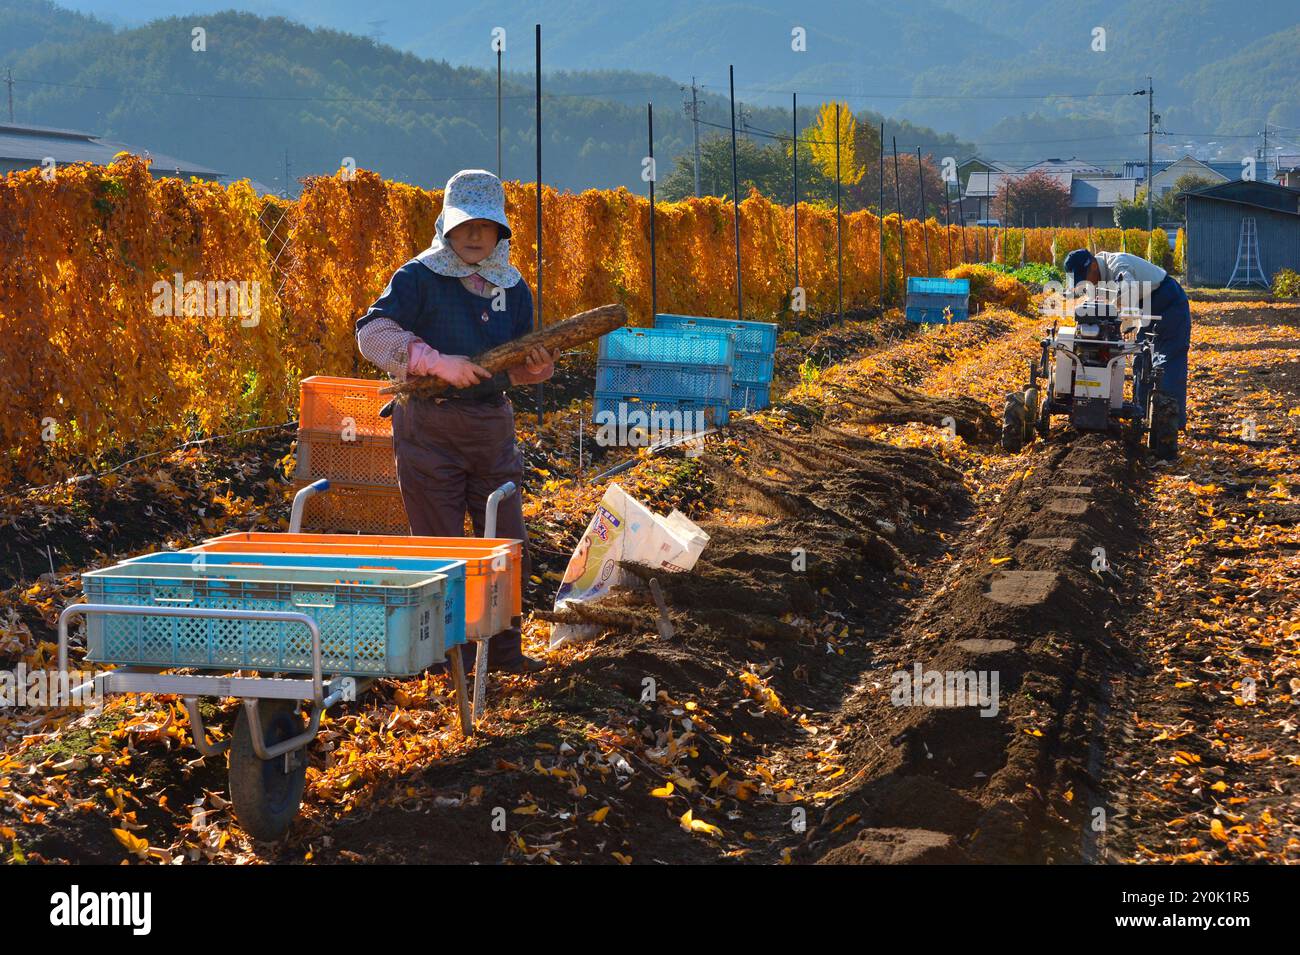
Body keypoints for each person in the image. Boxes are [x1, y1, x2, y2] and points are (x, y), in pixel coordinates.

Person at [356, 169, 552, 674]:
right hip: (429, 430)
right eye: (464, 225)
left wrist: (536, 369)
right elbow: (372, 334)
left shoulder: (511, 285)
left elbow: (519, 362)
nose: (473, 236)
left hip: (490, 430)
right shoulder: (417, 278)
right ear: (446, 225)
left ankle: (505, 655)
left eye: (485, 227)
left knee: (507, 544)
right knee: (440, 546)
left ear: (501, 233)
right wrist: (433, 360)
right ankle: (451, 661)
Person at [1063, 248, 1190, 432]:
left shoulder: (1118, 264)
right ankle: (1144, 417)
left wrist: (1116, 318)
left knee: (1166, 362)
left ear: (1092, 265)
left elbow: (1126, 288)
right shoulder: (1096, 281)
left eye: (1084, 279)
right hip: (1144, 308)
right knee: (1141, 361)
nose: (1086, 284)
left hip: (1169, 301)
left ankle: (1168, 424)